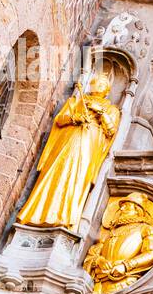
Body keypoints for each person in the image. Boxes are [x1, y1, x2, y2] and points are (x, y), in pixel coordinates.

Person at [18, 72, 121, 233]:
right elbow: (60, 119)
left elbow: (111, 130)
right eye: (95, 83)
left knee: (77, 179)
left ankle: (64, 218)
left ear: (107, 90)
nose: (97, 86)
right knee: (56, 173)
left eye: (102, 85)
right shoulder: (77, 100)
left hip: (89, 148)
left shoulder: (111, 109)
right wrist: (75, 118)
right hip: (67, 142)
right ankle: (36, 214)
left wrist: (100, 113)